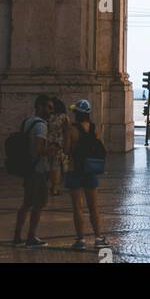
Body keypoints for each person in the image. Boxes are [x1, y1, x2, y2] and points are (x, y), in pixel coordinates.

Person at [12, 94, 54, 248]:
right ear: (40, 107)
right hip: (38, 170)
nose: (50, 111)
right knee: (38, 205)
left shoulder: (27, 122)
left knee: (26, 204)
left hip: (28, 168)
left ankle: (17, 236)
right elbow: (38, 150)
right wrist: (51, 149)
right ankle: (31, 237)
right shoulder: (41, 125)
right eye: (49, 107)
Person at [65, 99, 107, 251]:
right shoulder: (95, 128)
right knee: (93, 206)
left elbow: (66, 150)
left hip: (74, 169)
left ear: (77, 113)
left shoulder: (71, 129)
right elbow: (98, 146)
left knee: (77, 207)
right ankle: (98, 237)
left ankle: (80, 239)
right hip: (90, 170)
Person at [47, 98, 68, 197]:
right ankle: (55, 188)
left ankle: (51, 186)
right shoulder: (64, 117)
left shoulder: (47, 117)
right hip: (59, 144)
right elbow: (67, 132)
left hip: (47, 143)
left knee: (50, 165)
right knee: (57, 166)